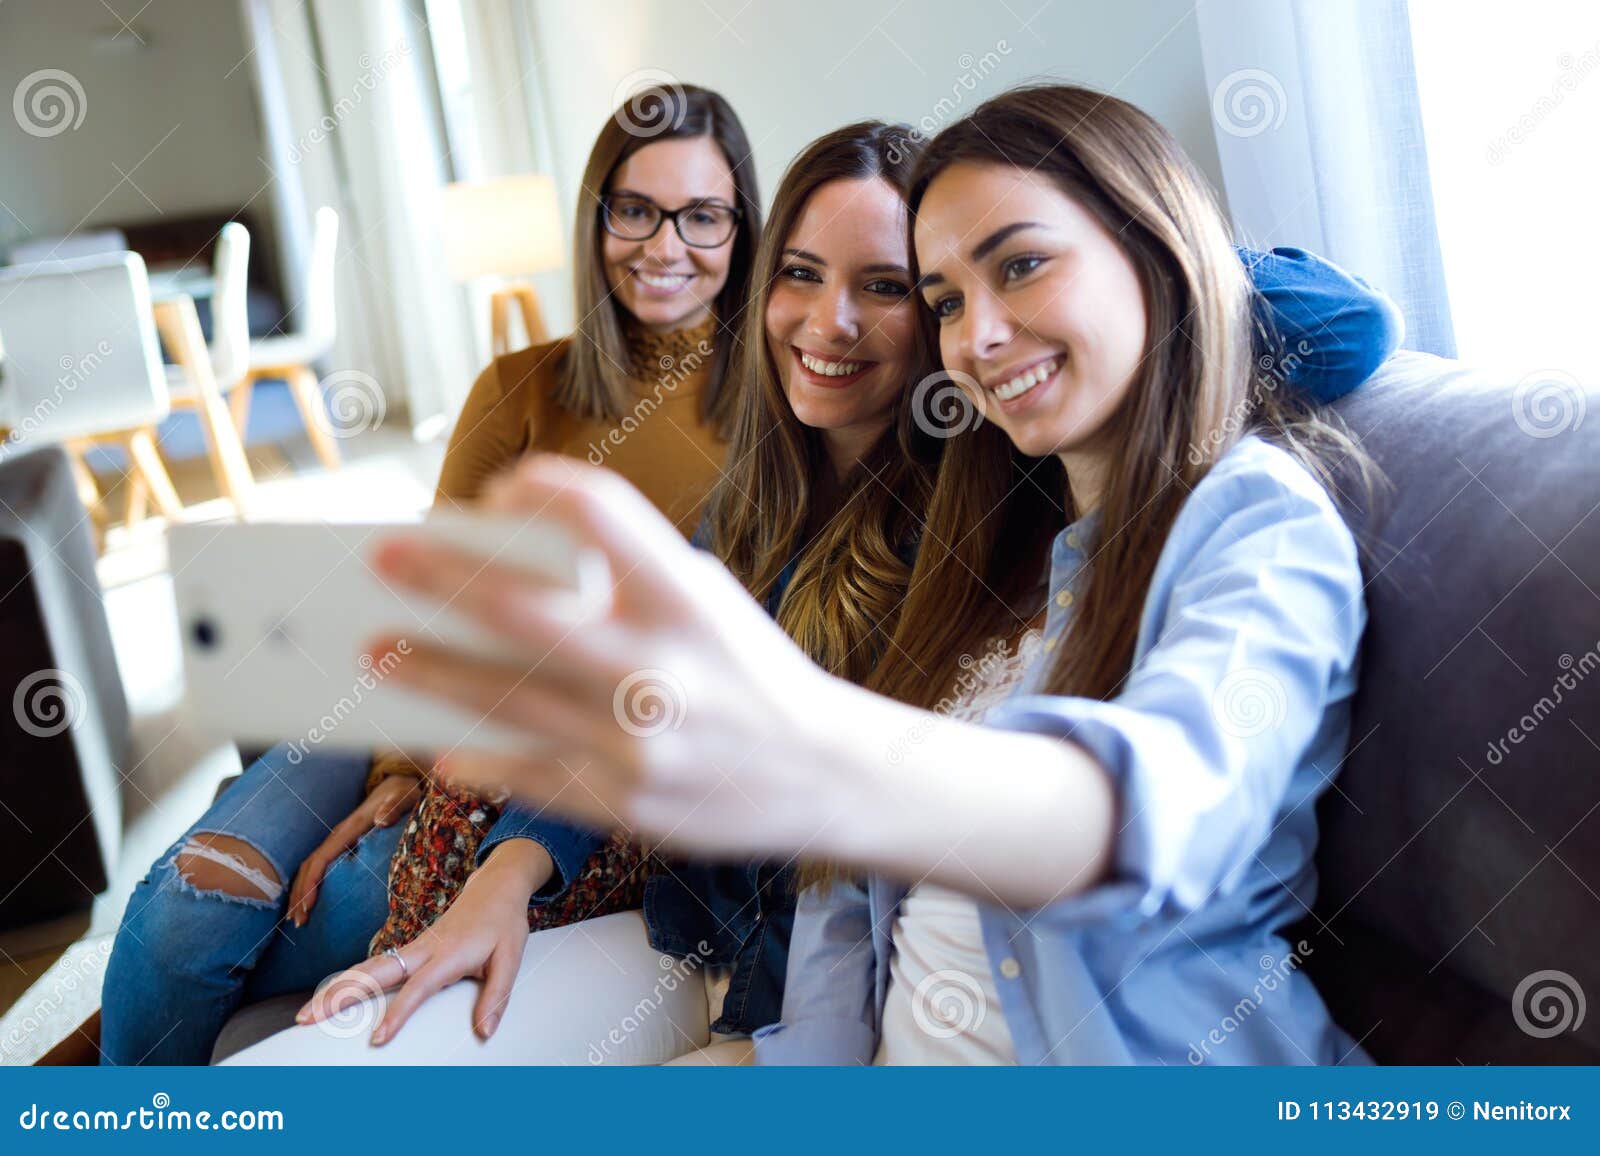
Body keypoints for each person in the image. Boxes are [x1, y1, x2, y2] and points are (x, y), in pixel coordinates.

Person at [293, 85, 1390, 1065]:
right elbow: (851, 915)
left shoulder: (1244, 522)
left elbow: (1166, 799)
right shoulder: (955, 539)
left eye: (1014, 264)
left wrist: (804, 757)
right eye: (949, 295)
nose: (982, 332)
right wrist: (514, 864)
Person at [99, 83, 761, 1066]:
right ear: (598, 219)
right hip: (419, 708)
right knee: (192, 905)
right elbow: (432, 600)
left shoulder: (773, 412)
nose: (665, 245)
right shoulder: (520, 387)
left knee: (252, 932)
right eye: (635, 210)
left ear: (740, 227)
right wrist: (398, 764)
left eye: (701, 215)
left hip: (551, 765)